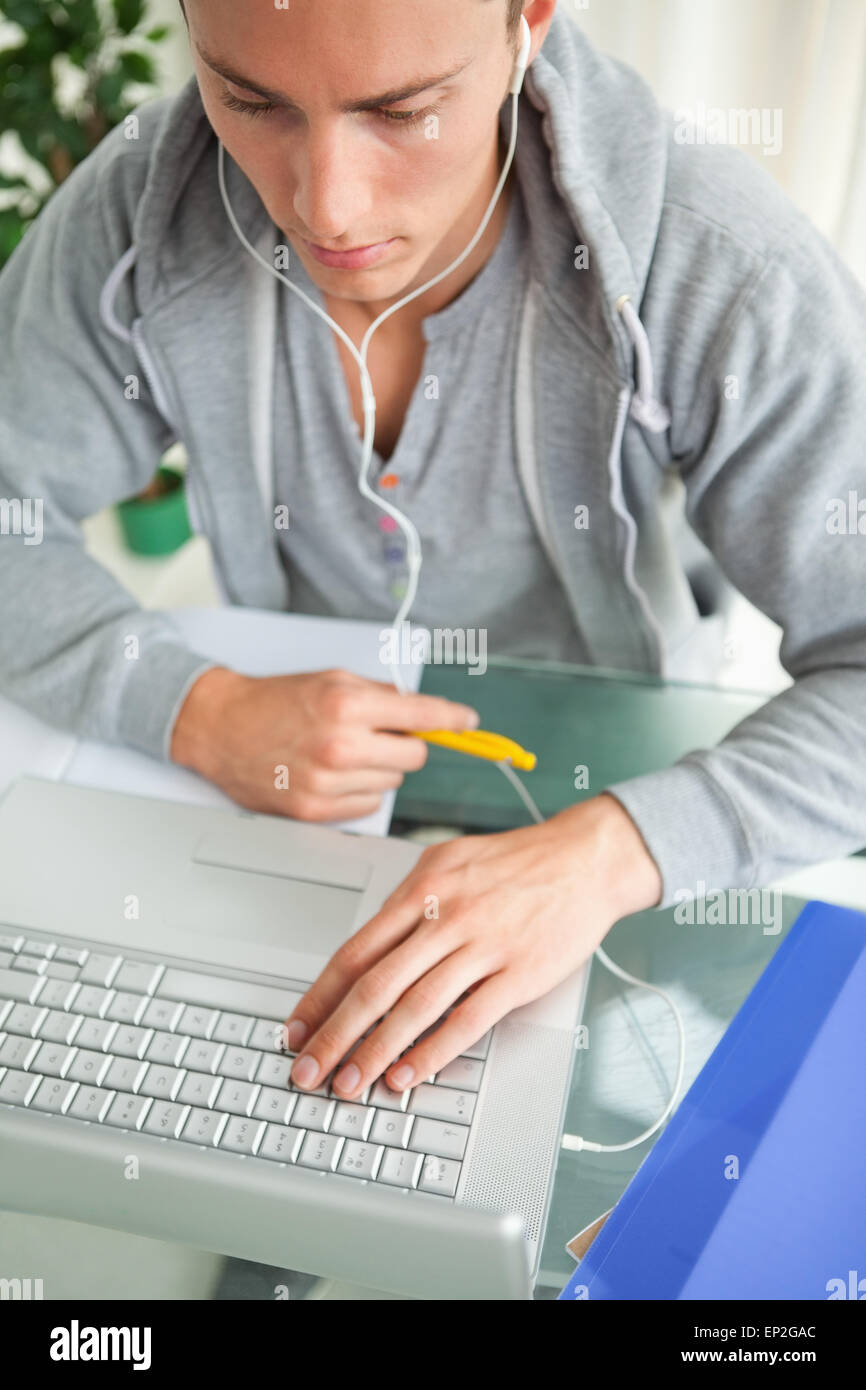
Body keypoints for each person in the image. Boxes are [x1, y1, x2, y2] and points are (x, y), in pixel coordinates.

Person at [1, 0, 864, 1108]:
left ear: (529, 20)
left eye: (401, 110)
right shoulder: (142, 213)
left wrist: (611, 852)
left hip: (613, 785)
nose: (325, 206)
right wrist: (195, 710)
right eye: (251, 100)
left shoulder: (717, 262)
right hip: (299, 789)